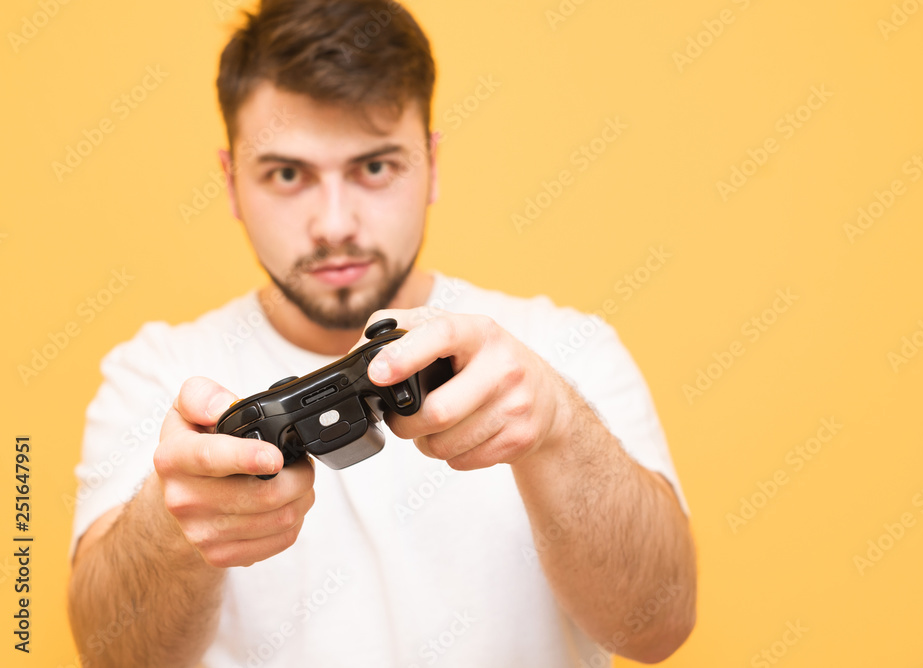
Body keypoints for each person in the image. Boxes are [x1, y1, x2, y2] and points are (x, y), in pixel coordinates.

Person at [66, 1, 697, 666]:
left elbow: (659, 628)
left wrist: (559, 430)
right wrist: (171, 531)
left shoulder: (567, 350)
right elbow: (113, 660)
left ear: (432, 165)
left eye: (374, 168)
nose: (335, 224)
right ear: (230, 183)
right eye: (287, 174)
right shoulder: (154, 373)